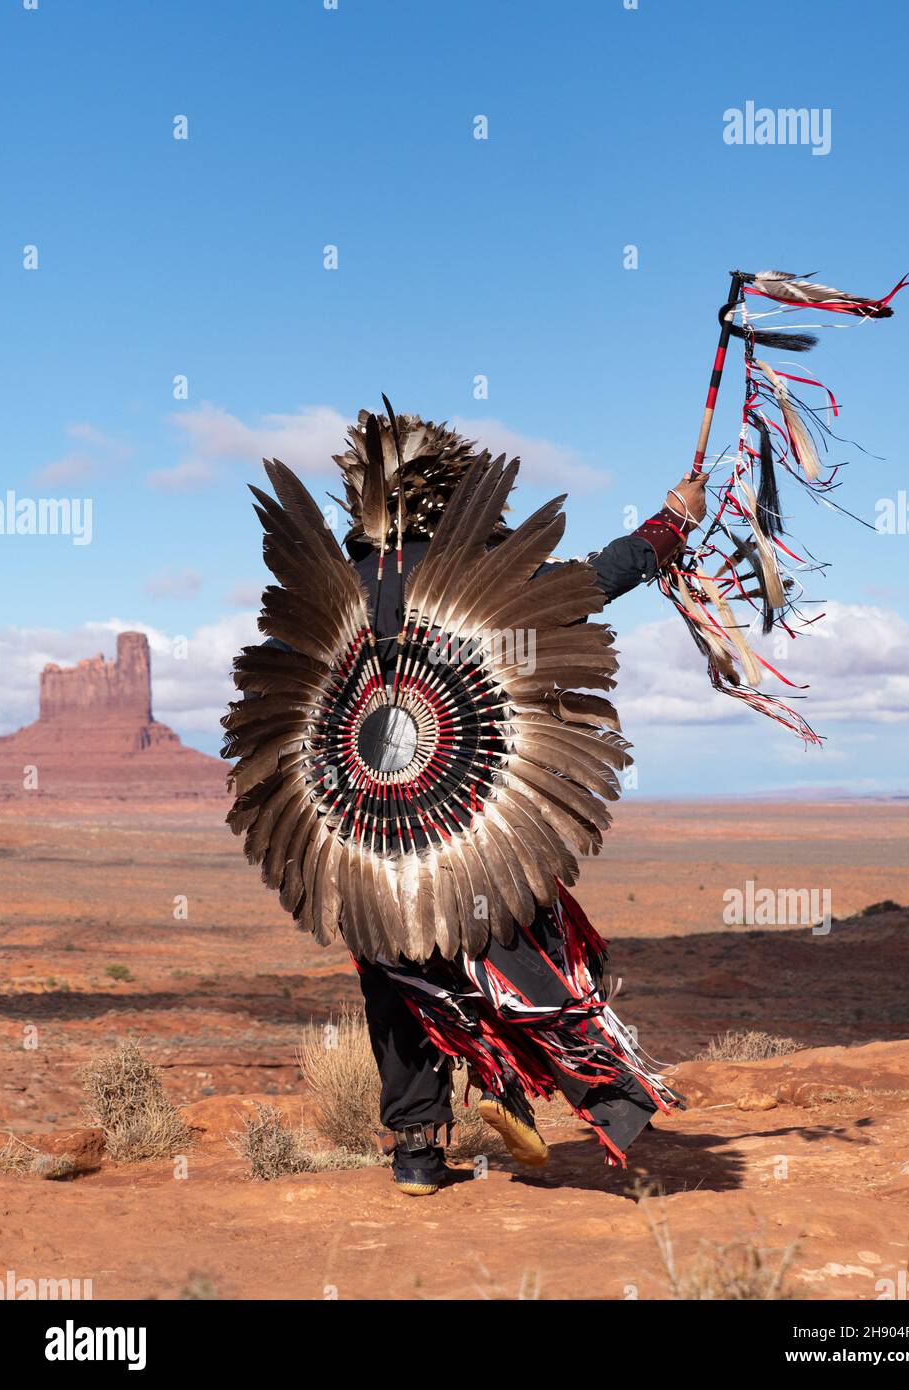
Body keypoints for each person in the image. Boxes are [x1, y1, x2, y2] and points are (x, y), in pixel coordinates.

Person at [226, 410, 707, 1194]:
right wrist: (671, 522)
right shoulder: (475, 580)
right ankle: (588, 1097)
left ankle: (416, 1151)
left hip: (357, 824)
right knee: (516, 946)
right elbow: (589, 582)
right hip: (468, 812)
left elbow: (272, 687)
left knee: (395, 972)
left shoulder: (333, 591)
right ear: (446, 495)